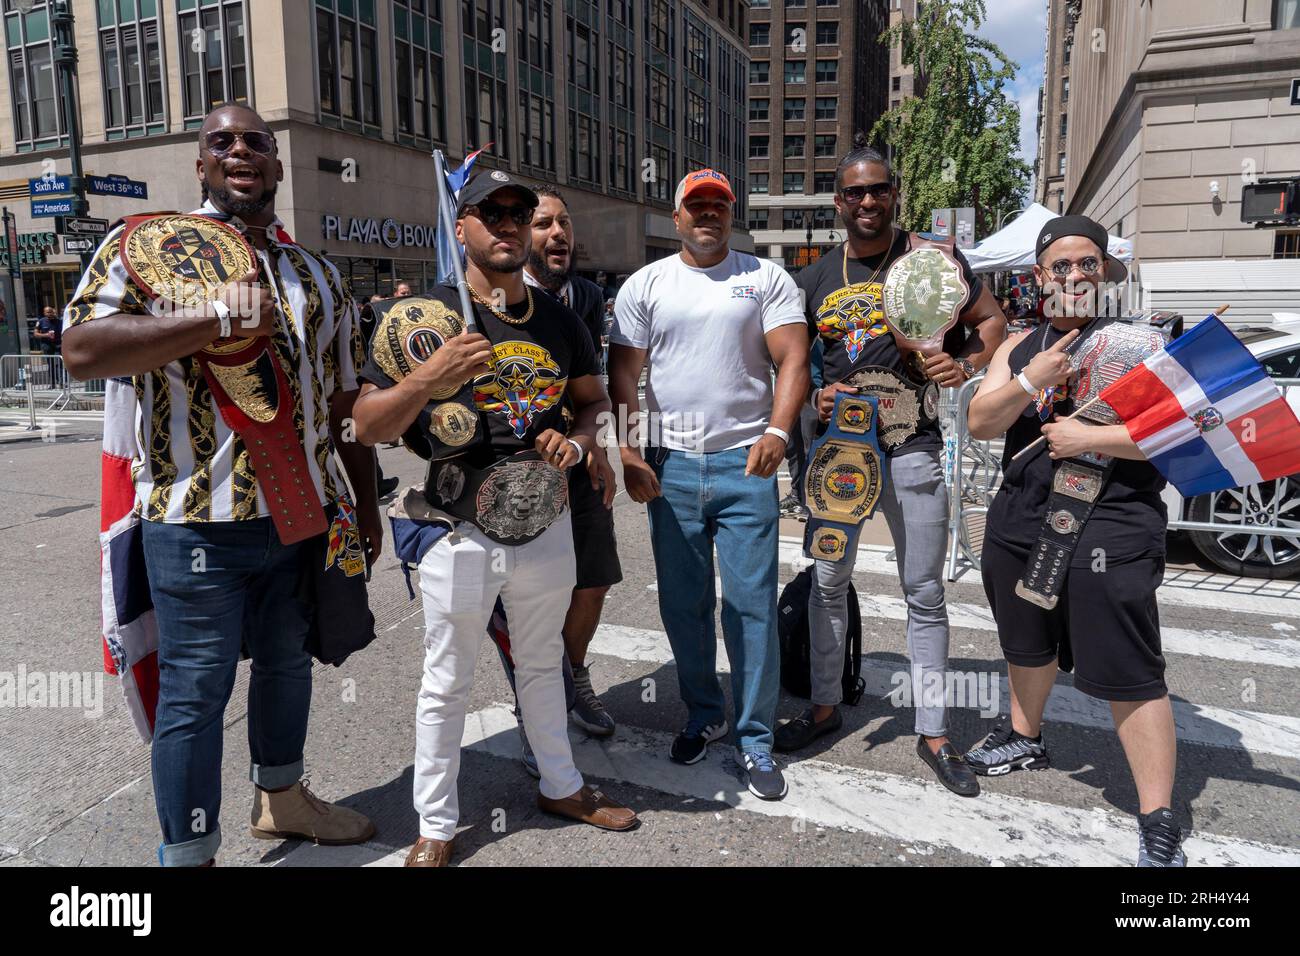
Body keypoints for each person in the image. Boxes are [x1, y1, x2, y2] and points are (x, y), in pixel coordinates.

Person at [60, 103, 382, 866]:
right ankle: (189, 854)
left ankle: (283, 799)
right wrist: (212, 318)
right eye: (221, 142)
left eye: (255, 143)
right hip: (197, 520)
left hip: (302, 514)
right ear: (202, 164)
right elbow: (81, 348)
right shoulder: (142, 247)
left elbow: (341, 407)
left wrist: (364, 507)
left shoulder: (318, 273)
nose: (240, 151)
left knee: (287, 664)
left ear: (275, 164)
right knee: (196, 696)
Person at [351, 170, 638, 868]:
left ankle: (561, 785)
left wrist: (577, 440)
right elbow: (365, 425)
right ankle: (437, 825)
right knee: (447, 678)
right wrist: (429, 376)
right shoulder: (423, 316)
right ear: (461, 227)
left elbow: (595, 401)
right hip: (457, 525)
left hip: (547, 519)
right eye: (492, 212)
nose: (509, 223)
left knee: (541, 664)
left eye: (521, 212)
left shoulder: (558, 317)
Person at [776, 137, 1006, 800]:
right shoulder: (816, 276)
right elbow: (800, 364)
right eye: (856, 191)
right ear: (839, 202)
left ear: (894, 194)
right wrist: (816, 394)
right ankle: (823, 707)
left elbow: (991, 320)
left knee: (924, 591)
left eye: (879, 188)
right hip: (840, 454)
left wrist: (966, 364)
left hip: (913, 443)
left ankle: (933, 731)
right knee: (826, 581)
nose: (868, 200)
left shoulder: (930, 259)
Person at [964, 215, 1185, 866]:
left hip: (1112, 518)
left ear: (1106, 270)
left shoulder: (1139, 341)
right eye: (1060, 266)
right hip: (1023, 513)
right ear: (1040, 277)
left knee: (1128, 666)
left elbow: (1181, 428)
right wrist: (1035, 379)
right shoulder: (1021, 345)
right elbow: (980, 419)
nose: (1074, 275)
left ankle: (1158, 819)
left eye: (1087, 263)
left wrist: (1092, 439)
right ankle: (1024, 735)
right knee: (1026, 639)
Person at [608, 169, 810, 800]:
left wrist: (777, 432)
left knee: (750, 606)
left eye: (718, 206)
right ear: (677, 218)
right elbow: (624, 377)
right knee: (683, 603)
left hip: (743, 461)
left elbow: (793, 358)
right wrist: (628, 448)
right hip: (670, 466)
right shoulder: (646, 284)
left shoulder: (764, 277)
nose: (707, 215)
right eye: (696, 206)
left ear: (731, 215)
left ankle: (755, 740)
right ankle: (704, 713)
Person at [507, 184, 621, 760]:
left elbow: (590, 388)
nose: (558, 234)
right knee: (522, 603)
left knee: (594, 578)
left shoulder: (585, 295)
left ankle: (571, 674)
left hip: (574, 460)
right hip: (514, 474)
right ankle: (534, 709)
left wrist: (596, 445)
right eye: (544, 223)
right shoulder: (496, 294)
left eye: (564, 224)